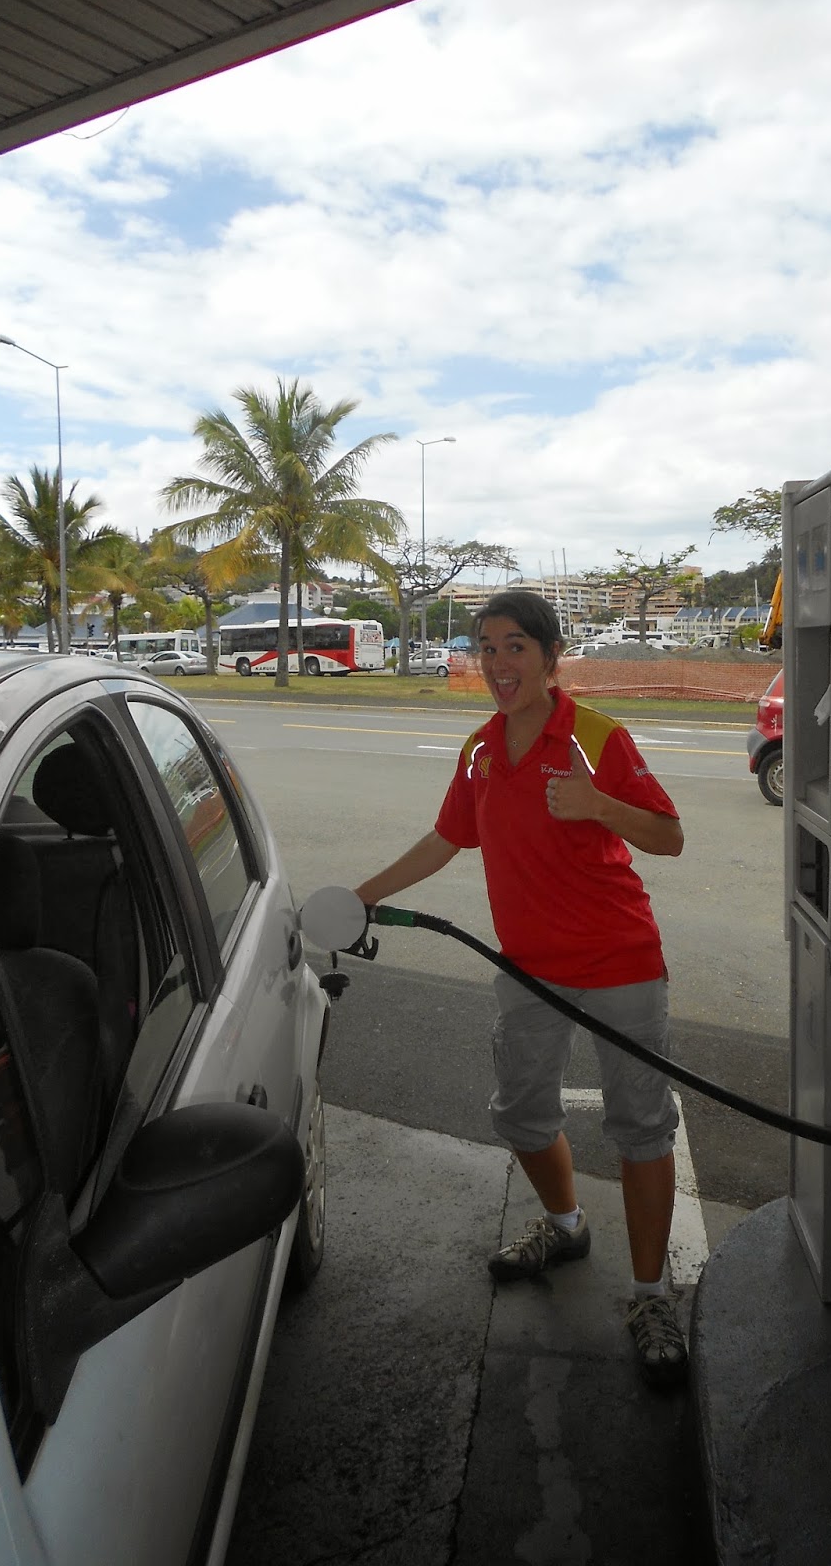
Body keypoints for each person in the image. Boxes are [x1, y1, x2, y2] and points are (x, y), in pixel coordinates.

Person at [353, 589, 688, 1386]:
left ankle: (649, 1295)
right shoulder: (477, 750)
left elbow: (669, 837)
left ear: (548, 656)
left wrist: (598, 804)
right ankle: (566, 1227)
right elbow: (445, 839)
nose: (499, 664)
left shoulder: (598, 738)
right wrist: (361, 897)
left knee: (641, 1126)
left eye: (515, 647)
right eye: (487, 648)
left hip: (620, 962)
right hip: (527, 968)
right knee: (522, 1112)